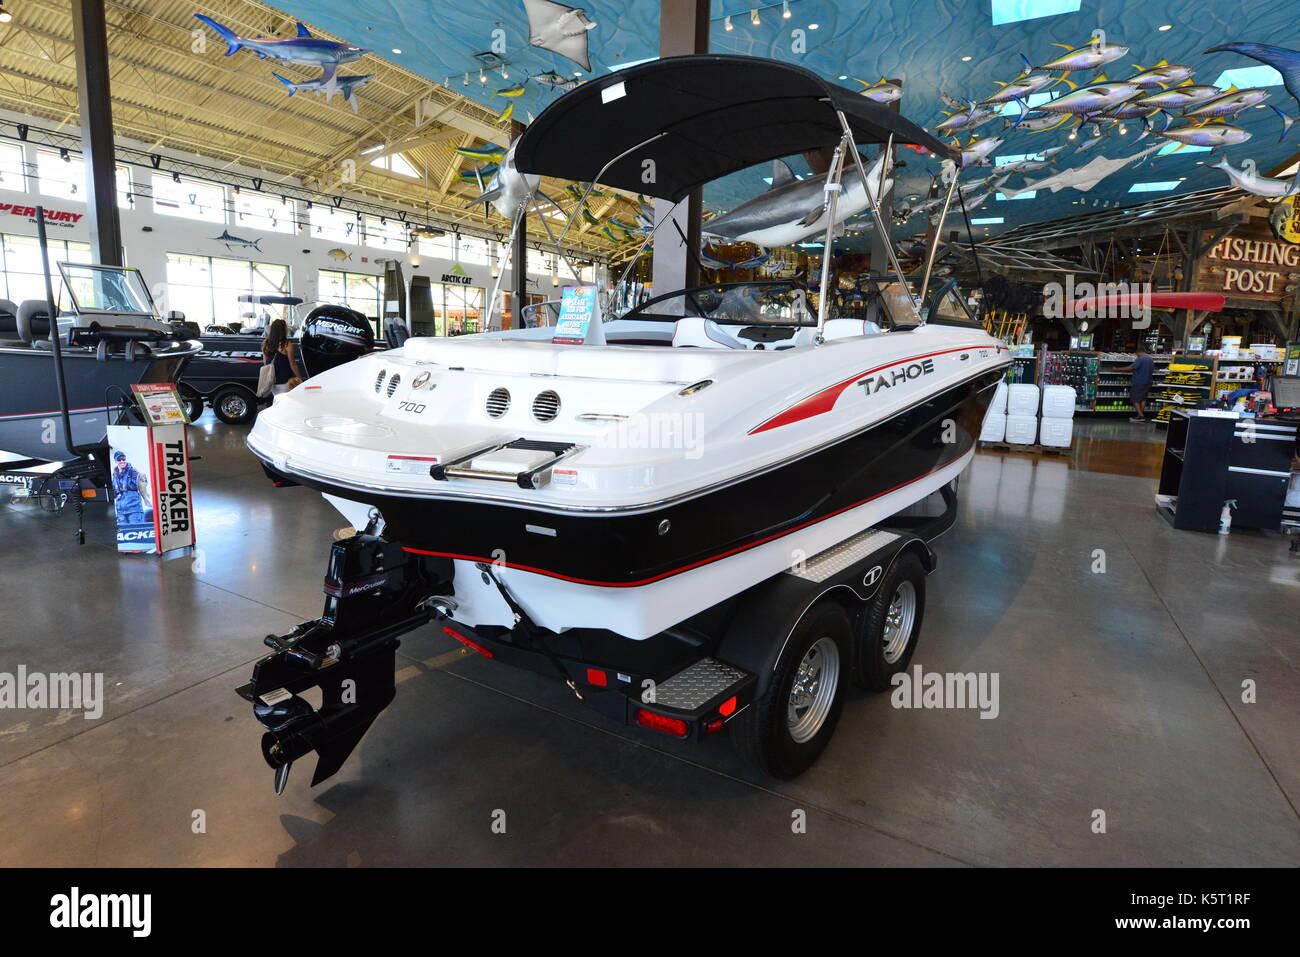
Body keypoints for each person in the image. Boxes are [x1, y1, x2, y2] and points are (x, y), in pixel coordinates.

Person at [261, 318, 304, 395]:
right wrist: (300, 378)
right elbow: (293, 364)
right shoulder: (287, 345)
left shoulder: (266, 344)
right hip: (286, 383)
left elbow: (265, 363)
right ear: (283, 330)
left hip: (273, 383)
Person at [1117, 343, 1154, 422]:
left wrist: (1117, 369)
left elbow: (1130, 368)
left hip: (1139, 382)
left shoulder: (1140, 359)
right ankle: (1140, 414)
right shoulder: (1150, 359)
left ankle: (1141, 416)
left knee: (1135, 399)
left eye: (1136, 354)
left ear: (1138, 352)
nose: (1136, 355)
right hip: (1148, 382)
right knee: (1143, 399)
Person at [111, 450, 147, 525]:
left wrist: (143, 477)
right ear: (115, 461)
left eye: (123, 459)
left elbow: (142, 483)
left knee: (136, 532)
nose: (122, 461)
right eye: (119, 459)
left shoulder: (132, 471)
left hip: (134, 510)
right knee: (123, 533)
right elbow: (113, 492)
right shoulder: (114, 476)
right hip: (120, 512)